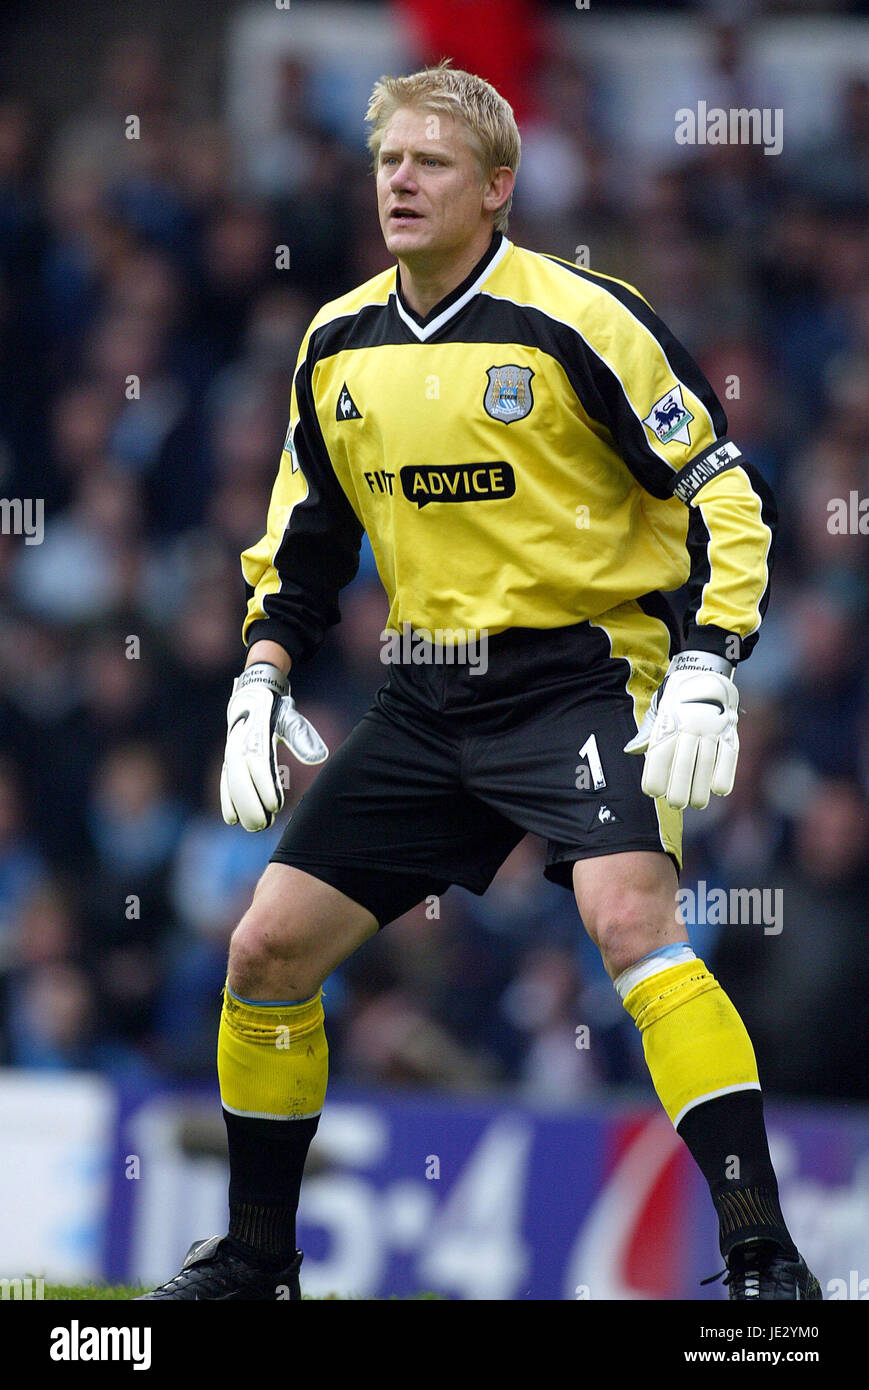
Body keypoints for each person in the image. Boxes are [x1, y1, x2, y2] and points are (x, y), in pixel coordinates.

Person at [139, 61, 819, 1302]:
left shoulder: (579, 319)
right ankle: (255, 1263)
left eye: (430, 162)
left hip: (587, 672)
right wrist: (260, 675)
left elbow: (721, 487)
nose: (400, 179)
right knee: (266, 953)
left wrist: (711, 664)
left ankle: (763, 1258)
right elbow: (302, 545)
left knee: (628, 921)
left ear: (497, 187)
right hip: (425, 689)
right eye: (388, 159)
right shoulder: (334, 343)